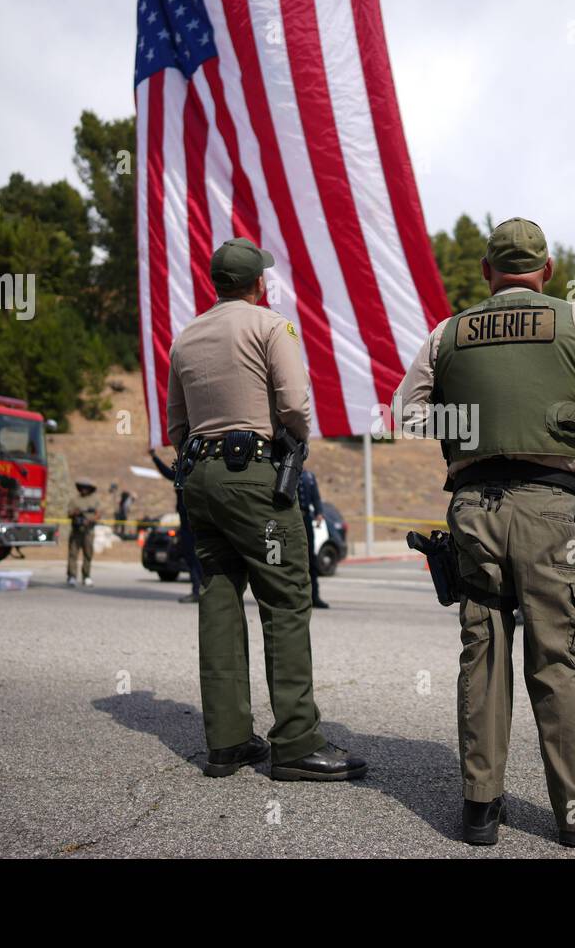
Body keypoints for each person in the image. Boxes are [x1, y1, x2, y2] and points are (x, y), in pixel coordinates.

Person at [396, 217, 575, 848]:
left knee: (482, 651)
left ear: (485, 272)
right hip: (548, 510)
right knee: (555, 657)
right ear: (547, 270)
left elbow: (406, 413)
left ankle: (480, 809)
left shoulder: (447, 332)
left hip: (474, 507)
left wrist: (468, 427)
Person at [166, 236, 366, 782]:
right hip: (254, 475)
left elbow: (175, 426)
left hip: (200, 479)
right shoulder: (271, 326)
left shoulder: (184, 340)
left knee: (220, 596)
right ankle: (297, 741)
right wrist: (294, 440)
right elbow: (295, 404)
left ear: (215, 283)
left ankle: (227, 741)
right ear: (259, 283)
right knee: (285, 596)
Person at [149, 450, 203, 604]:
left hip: (198, 521)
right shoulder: (181, 473)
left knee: (200, 556)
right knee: (189, 555)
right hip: (185, 522)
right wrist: (155, 458)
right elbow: (168, 473)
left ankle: (204, 591)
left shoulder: (197, 473)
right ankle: (196, 589)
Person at [297, 469, 329, 609]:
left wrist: (319, 512)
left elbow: (316, 497)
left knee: (311, 559)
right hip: (291, 518)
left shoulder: (308, 476)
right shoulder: (285, 470)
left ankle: (314, 596)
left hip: (306, 519)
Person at [66, 479, 100, 587]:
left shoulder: (94, 500)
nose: (84, 490)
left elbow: (98, 514)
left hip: (88, 531)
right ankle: (72, 576)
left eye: (86, 488)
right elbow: (69, 513)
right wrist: (75, 513)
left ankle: (86, 576)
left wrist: (91, 520)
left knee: (88, 554)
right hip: (76, 530)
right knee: (73, 554)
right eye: (82, 487)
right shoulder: (75, 500)